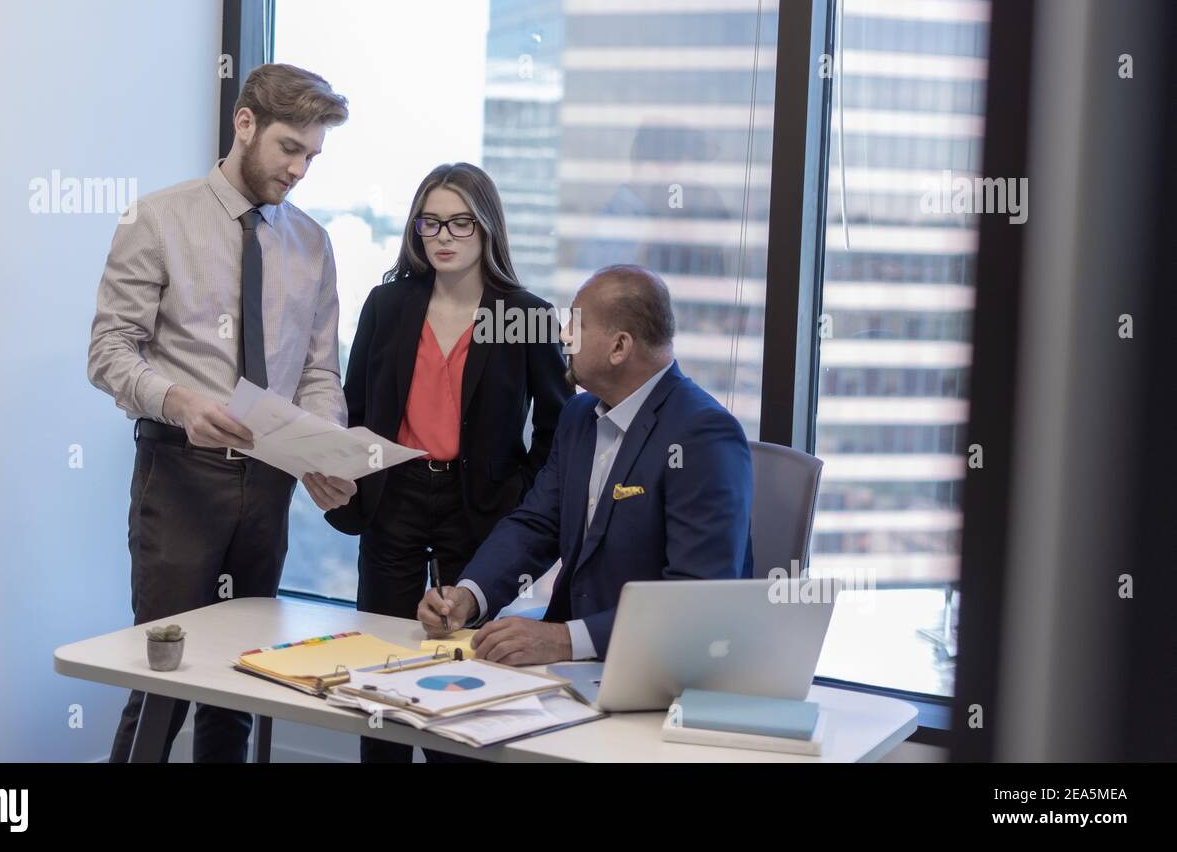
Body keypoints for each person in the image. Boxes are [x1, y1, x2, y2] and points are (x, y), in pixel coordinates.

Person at [89, 63, 358, 762]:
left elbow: (320, 373)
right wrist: (176, 400)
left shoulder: (314, 244)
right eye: (289, 149)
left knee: (242, 683)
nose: (300, 169)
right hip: (179, 479)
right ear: (245, 125)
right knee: (163, 681)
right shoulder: (157, 218)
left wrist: (322, 451)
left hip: (269, 485)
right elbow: (109, 351)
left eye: (312, 155)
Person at [325, 162, 569, 761]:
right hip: (395, 496)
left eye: (461, 223)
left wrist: (521, 496)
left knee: (462, 673)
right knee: (378, 670)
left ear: (487, 230)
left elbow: (559, 424)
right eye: (430, 222)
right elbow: (354, 405)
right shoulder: (388, 305)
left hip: (480, 505)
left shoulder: (524, 315)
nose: (444, 236)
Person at [417, 264, 753, 664]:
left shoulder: (703, 435)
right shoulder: (578, 416)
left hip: (656, 673)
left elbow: (695, 599)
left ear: (619, 347)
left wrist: (565, 640)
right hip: (570, 670)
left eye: (576, 324)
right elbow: (537, 524)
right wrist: (469, 595)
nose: (563, 336)